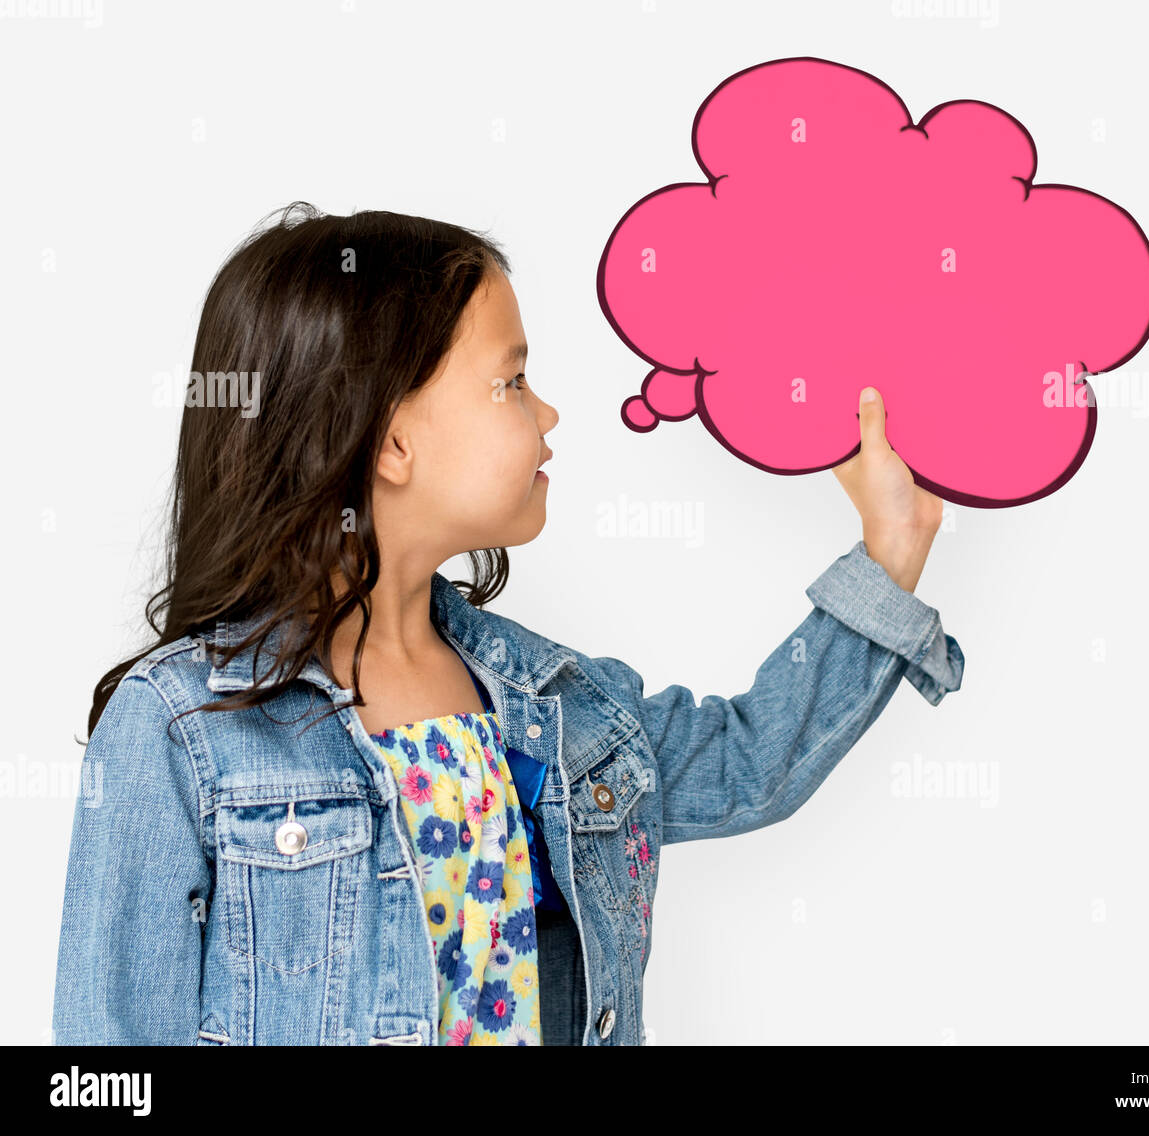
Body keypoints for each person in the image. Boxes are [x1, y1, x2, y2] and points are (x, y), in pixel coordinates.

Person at [51, 203, 963, 1046]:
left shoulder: (558, 707)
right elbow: (109, 1051)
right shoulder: (179, 730)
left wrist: (892, 549)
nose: (550, 412)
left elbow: (749, 761)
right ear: (391, 441)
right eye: (513, 381)